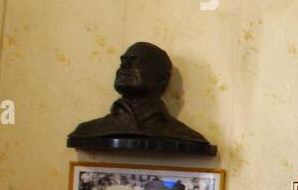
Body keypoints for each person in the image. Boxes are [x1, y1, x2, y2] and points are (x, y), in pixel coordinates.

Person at [67, 42, 211, 147]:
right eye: (123, 62)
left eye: (136, 62)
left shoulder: (184, 135)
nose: (124, 67)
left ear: (162, 79)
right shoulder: (88, 130)